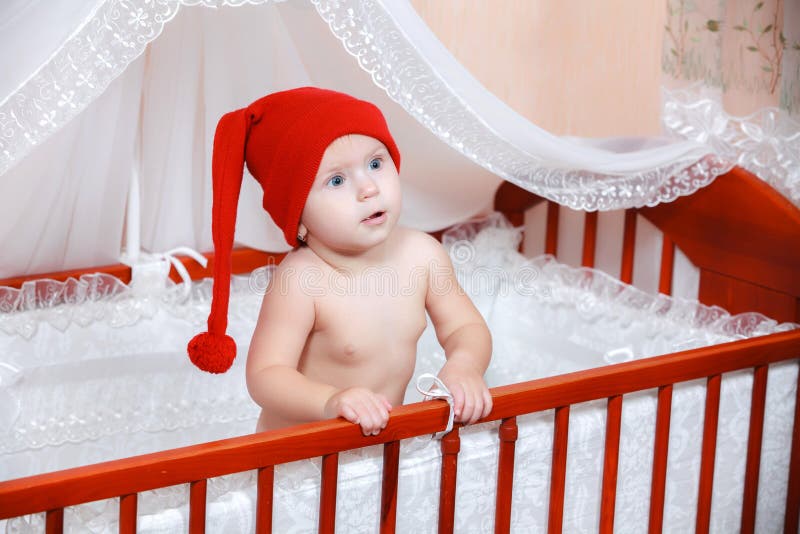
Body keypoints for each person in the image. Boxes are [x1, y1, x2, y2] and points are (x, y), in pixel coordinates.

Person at [187, 87, 492, 436]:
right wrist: (331, 401)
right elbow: (265, 375)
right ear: (298, 218)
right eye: (336, 180)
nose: (368, 189)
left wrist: (465, 365)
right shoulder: (302, 281)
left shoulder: (422, 255)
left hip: (380, 450)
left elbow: (464, 327)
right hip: (302, 462)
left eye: (376, 164)